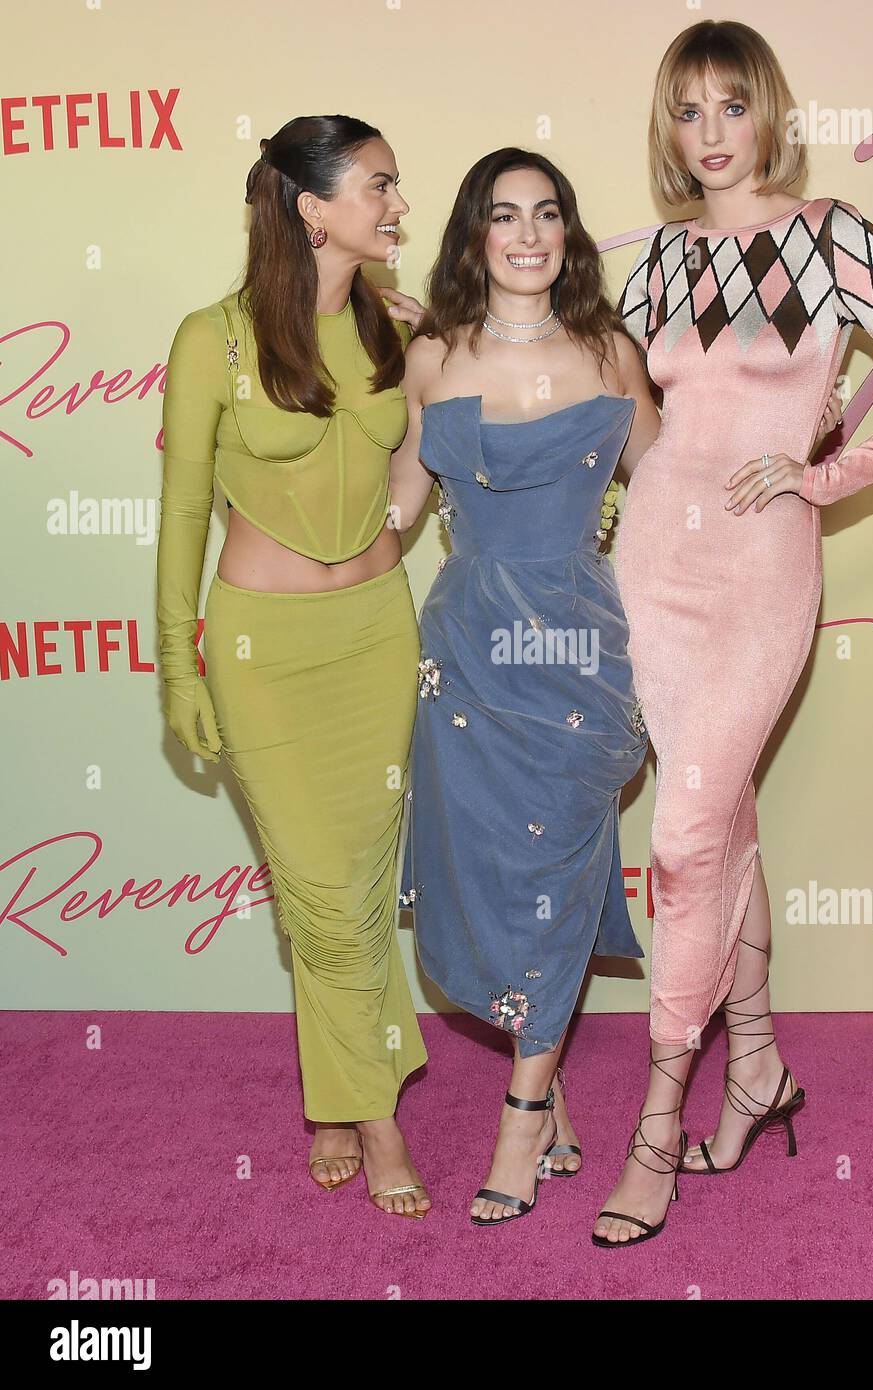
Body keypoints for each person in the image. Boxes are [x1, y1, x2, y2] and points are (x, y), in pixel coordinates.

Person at [594, 20, 873, 1246]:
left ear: (768, 112)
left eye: (728, 107)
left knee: (687, 827)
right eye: (685, 112)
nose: (707, 136)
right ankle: (753, 1065)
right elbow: (608, 398)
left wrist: (819, 475)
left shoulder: (829, 235)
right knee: (725, 820)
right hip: (651, 561)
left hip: (760, 569)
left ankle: (659, 1115)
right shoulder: (651, 260)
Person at [155, 114, 433, 1218]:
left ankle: (331, 1096)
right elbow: (181, 514)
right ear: (313, 208)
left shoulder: (393, 332)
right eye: (379, 185)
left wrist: (423, 406)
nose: (399, 205)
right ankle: (375, 1122)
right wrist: (180, 668)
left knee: (352, 897)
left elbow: (416, 467)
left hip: (375, 636)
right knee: (324, 899)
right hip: (261, 654)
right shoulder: (208, 340)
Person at [388, 149, 657, 1225]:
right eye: (504, 217)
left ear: (568, 231)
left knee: (557, 857)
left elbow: (672, 489)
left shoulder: (606, 354)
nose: (529, 233)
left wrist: (784, 440)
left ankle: (520, 1112)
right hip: (465, 655)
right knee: (490, 881)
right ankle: (545, 1098)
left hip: (579, 654)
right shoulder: (429, 359)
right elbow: (395, 515)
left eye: (548, 213)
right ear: (473, 237)